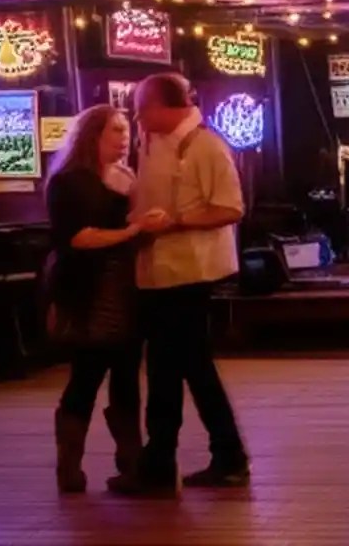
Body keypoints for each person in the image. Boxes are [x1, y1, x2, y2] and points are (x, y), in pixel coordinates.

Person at [113, 73, 250, 495]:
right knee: (179, 366)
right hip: (158, 272)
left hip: (191, 272)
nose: (137, 118)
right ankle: (211, 456)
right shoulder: (151, 142)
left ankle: (173, 462)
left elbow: (231, 208)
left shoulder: (206, 146)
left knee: (176, 366)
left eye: (143, 108)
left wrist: (174, 222)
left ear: (164, 107)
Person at [45, 104, 160, 493]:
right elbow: (78, 238)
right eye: (116, 130)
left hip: (126, 288)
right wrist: (133, 231)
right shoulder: (69, 181)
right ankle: (69, 466)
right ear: (92, 134)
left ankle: (131, 463)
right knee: (87, 375)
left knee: (126, 377)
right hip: (88, 290)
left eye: (126, 130)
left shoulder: (125, 176)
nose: (124, 138)